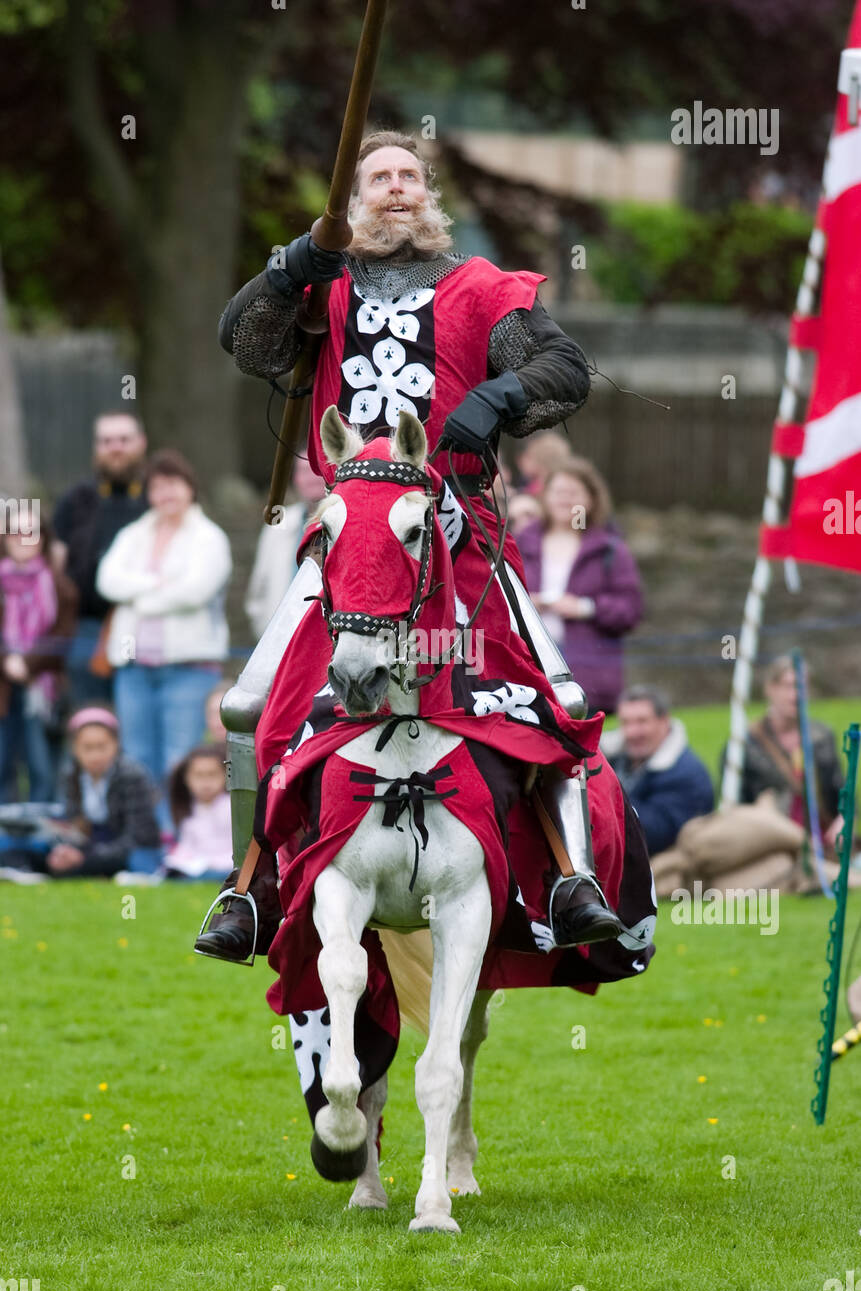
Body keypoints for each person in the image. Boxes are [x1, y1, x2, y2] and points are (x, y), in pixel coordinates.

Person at [201, 128, 655, 980]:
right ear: (353, 197)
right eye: (378, 178)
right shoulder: (318, 289)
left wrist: (497, 394)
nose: (396, 189)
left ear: (429, 194)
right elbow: (246, 341)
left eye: (409, 176)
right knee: (252, 701)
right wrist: (296, 261)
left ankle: (569, 881)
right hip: (346, 548)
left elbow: (565, 366)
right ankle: (251, 887)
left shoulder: (480, 287)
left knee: (550, 694)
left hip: (456, 540)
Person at [95, 449, 231, 829]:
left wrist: (136, 595)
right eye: (156, 486)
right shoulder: (134, 533)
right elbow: (107, 581)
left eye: (173, 483)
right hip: (133, 666)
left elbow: (195, 591)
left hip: (188, 668)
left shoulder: (209, 537)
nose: (165, 493)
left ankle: (181, 842)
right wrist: (157, 585)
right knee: (137, 758)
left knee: (182, 758)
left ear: (189, 487)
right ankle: (144, 842)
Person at [517, 459, 643, 713]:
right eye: (558, 492)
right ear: (545, 497)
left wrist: (585, 608)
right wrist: (527, 604)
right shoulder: (521, 542)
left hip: (587, 675)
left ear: (591, 499)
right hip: (526, 668)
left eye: (573, 493)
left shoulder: (611, 550)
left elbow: (631, 609)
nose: (564, 500)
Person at [53, 412, 148, 706]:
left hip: (145, 628)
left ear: (141, 443)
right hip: (87, 629)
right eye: (107, 441)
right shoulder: (75, 499)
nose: (115, 447)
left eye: (124, 440)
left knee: (136, 722)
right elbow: (56, 563)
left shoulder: (159, 496)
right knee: (89, 719)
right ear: (96, 448)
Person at [0, 707, 162, 879]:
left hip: (123, 850)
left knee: (124, 861)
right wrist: (64, 850)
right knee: (20, 849)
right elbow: (72, 827)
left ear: (116, 744)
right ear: (75, 749)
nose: (95, 755)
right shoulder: (72, 775)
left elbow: (138, 837)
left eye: (102, 746)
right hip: (87, 848)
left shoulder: (131, 775)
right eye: (88, 748)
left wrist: (87, 856)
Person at [723, 654, 846, 851]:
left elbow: (842, 792)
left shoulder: (822, 737)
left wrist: (843, 821)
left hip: (823, 846)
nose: (796, 695)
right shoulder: (744, 745)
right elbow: (734, 809)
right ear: (770, 689)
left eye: (802, 686)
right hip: (770, 847)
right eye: (788, 686)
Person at [0, 522, 78, 803]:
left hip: (44, 688)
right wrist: (8, 662)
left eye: (30, 532)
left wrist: (27, 665)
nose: (22, 539)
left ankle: (39, 832)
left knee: (41, 766)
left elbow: (63, 636)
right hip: (3, 688)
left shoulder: (60, 585)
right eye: (14, 532)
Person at [602, 685, 715, 855]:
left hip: (666, 871)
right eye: (626, 722)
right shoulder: (611, 757)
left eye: (642, 722)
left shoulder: (686, 774)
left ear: (664, 721)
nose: (632, 732)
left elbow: (655, 836)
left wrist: (601, 792)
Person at [245, 453, 327, 641]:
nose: (312, 478)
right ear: (295, 479)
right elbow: (259, 589)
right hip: (281, 642)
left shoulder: (350, 524)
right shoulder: (277, 525)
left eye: (317, 470)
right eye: (304, 471)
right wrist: (266, 633)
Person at [163, 745, 233, 881]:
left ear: (226, 775)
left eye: (212, 775)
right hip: (196, 865)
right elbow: (187, 845)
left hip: (225, 865)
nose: (206, 783)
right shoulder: (189, 808)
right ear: (186, 779)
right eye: (199, 776)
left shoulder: (229, 807)